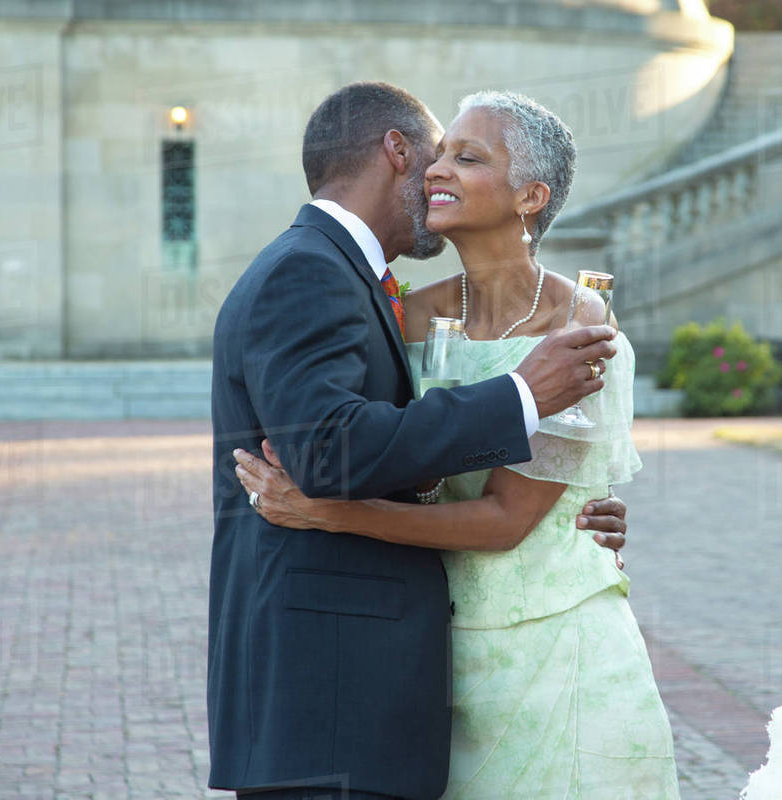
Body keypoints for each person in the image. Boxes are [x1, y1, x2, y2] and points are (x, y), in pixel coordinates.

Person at [234, 91, 680, 799]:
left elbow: (508, 520)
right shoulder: (405, 316)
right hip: (425, 655)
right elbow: (372, 449)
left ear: (530, 196)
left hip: (553, 645)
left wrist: (331, 513)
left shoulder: (579, 322)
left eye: (467, 158)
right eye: (439, 154)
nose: (436, 169)